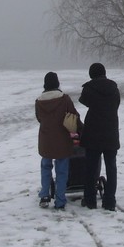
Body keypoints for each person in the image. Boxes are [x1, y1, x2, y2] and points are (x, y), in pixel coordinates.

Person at [35, 71, 80, 211]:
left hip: (46, 139)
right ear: (57, 83)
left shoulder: (39, 101)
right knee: (62, 170)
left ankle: (44, 195)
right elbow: (73, 116)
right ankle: (60, 201)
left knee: (46, 166)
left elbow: (39, 119)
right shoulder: (64, 99)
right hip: (62, 139)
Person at [79, 62, 120, 211]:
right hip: (110, 132)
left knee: (90, 168)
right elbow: (116, 104)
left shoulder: (89, 89)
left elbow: (83, 101)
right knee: (111, 168)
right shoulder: (114, 89)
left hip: (93, 133)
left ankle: (90, 200)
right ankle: (110, 201)